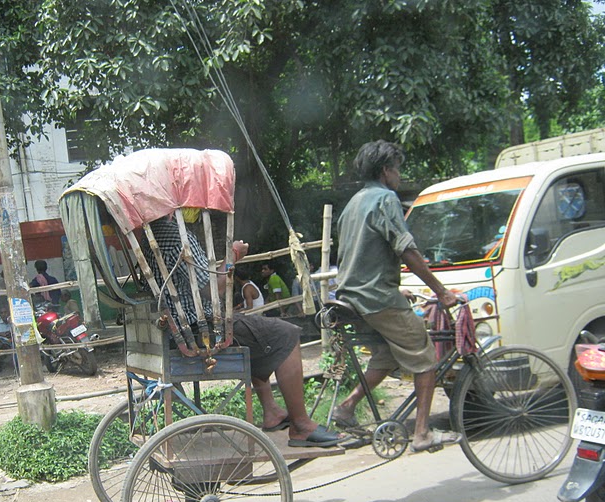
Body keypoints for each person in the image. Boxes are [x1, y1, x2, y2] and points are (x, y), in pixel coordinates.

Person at [144, 214, 344, 448]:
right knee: (286, 334)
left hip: (176, 327)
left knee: (259, 335)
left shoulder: (150, 236)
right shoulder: (176, 236)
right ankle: (301, 425)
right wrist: (234, 255)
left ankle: (272, 412)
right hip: (202, 328)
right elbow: (213, 289)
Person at [332, 140, 462, 453]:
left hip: (351, 296)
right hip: (374, 297)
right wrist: (441, 291)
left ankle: (347, 406)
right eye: (397, 169)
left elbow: (362, 253)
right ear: (385, 170)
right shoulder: (385, 198)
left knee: (388, 355)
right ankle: (422, 433)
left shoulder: (353, 204)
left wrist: (394, 285)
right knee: (424, 355)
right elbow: (406, 250)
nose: (399, 176)